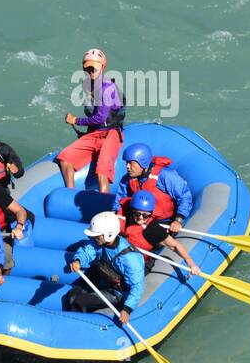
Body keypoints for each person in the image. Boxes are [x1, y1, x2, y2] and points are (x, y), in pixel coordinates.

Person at [56, 49, 125, 193]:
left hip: (111, 134)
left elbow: (100, 118)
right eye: (87, 67)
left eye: (94, 67)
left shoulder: (108, 88)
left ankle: (103, 207)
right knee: (65, 157)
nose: (90, 70)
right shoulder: (89, 86)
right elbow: (93, 114)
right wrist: (86, 133)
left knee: (102, 171)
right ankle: (70, 193)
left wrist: (75, 120)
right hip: (94, 134)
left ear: (103, 67)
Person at [66, 211, 145, 324]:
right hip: (105, 281)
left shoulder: (131, 259)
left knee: (80, 302)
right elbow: (88, 250)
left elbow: (137, 286)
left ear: (108, 234)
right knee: (72, 294)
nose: (93, 238)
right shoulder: (101, 242)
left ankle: (77, 326)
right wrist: (78, 260)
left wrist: (127, 309)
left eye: (96, 236)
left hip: (118, 293)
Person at [111, 142, 193, 232]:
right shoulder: (127, 179)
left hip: (166, 222)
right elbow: (119, 201)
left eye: (131, 163)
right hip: (140, 219)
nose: (127, 166)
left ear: (143, 162)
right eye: (126, 163)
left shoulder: (165, 175)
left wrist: (178, 220)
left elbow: (184, 196)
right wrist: (114, 214)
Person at [118, 189, 200, 273]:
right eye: (137, 214)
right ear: (132, 210)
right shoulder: (124, 212)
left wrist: (191, 263)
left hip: (138, 264)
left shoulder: (152, 229)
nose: (140, 218)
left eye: (145, 215)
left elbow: (174, 246)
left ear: (151, 214)